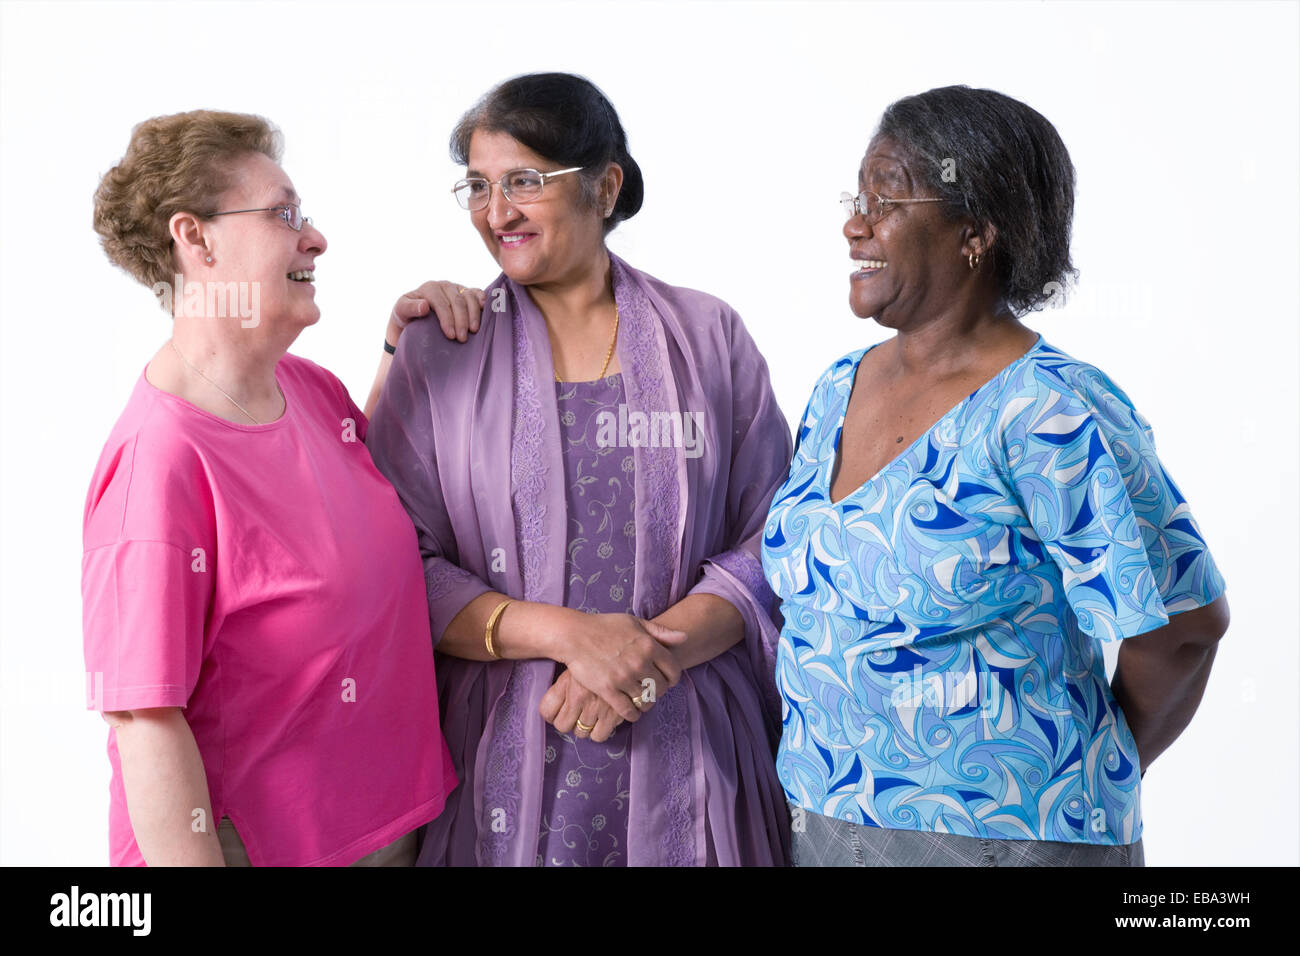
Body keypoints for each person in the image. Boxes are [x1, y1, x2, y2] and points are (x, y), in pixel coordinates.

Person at [761, 86, 1229, 867]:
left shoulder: (1048, 411)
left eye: (889, 198)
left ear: (975, 233)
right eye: (857, 197)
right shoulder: (838, 387)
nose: (855, 223)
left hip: (1007, 838)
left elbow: (1181, 631)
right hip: (821, 820)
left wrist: (1076, 773)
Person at [367, 73, 793, 866]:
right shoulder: (440, 351)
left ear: (606, 185)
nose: (497, 214)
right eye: (479, 187)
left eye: (525, 182)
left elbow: (777, 538)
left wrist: (642, 660)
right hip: (500, 753)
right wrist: (573, 637)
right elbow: (392, 564)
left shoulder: (708, 337)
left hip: (693, 752)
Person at [83, 110, 457, 866]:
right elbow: (146, 721)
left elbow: (348, 517)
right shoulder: (158, 463)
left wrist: (401, 349)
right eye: (284, 214)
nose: (314, 237)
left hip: (395, 829)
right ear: (197, 239)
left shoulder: (311, 390)